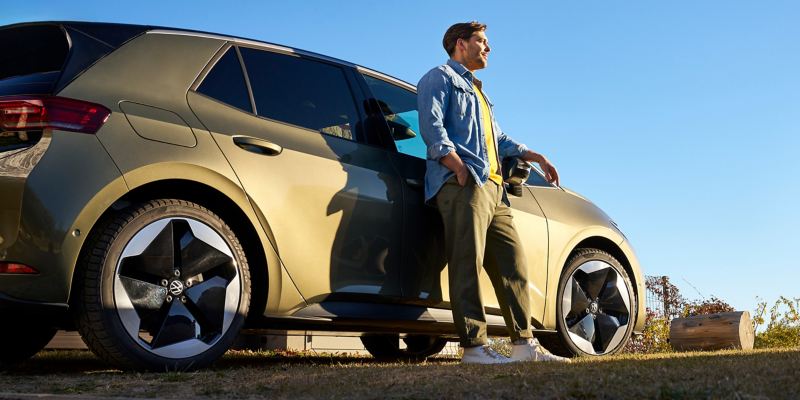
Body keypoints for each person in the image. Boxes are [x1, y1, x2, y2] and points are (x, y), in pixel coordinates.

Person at [417, 21, 568, 364]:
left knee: (512, 264)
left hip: (494, 187)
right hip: (463, 184)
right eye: (481, 41)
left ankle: (524, 346)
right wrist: (456, 166)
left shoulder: (480, 92)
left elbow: (497, 139)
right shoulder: (439, 78)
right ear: (460, 44)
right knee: (466, 263)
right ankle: (473, 347)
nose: (488, 48)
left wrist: (533, 154)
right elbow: (432, 125)